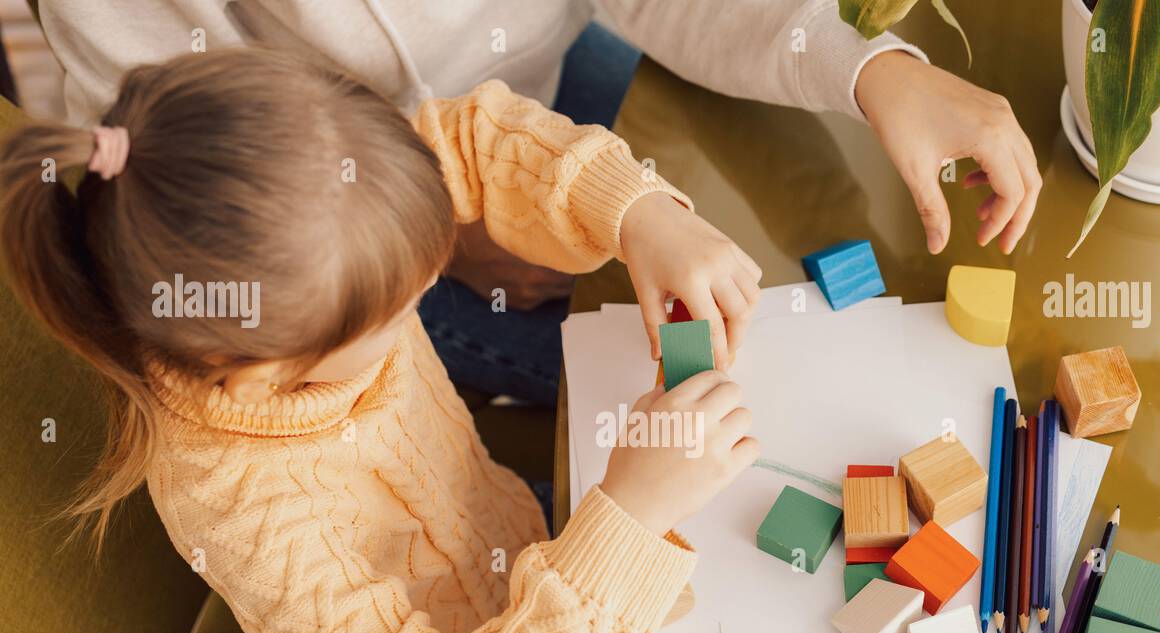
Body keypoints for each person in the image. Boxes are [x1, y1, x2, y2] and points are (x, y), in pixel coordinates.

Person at [0, 47, 762, 633]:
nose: (431, 308)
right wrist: (631, 514)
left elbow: (472, 137)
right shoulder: (251, 512)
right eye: (403, 311)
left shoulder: (334, 201)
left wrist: (638, 212)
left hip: (513, 540)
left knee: (749, 613)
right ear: (266, 378)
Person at [38, 0, 1041, 405]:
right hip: (341, 255)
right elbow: (168, 200)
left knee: (776, 296)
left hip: (528, 105)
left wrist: (869, 68)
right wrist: (436, 223)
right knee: (754, 378)